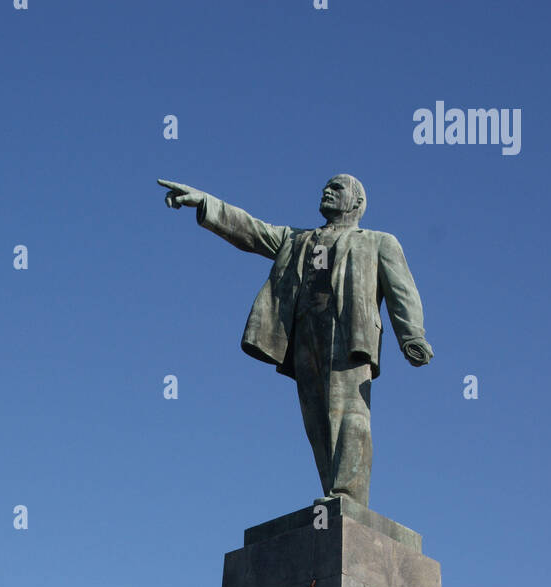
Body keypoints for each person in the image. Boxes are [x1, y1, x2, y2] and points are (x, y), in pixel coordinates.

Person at [158, 174, 433, 505]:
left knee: (350, 415)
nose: (326, 191)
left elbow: (402, 291)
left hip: (348, 334)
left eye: (336, 188)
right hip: (305, 333)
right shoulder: (297, 239)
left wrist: (412, 335)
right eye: (325, 187)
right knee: (317, 422)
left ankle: (348, 497)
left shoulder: (379, 242)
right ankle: (334, 493)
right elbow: (252, 231)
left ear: (357, 202)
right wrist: (207, 203)